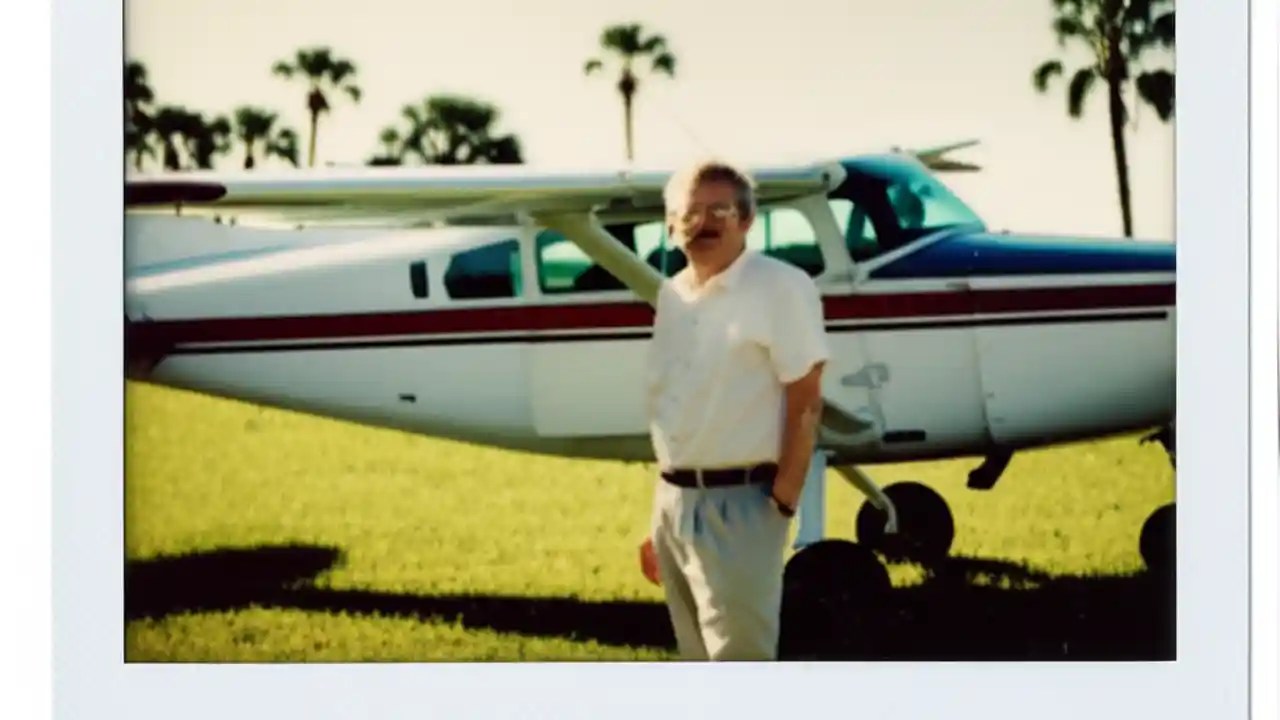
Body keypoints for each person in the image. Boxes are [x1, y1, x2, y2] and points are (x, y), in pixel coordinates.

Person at [638, 159, 830, 661]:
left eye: (719, 210)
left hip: (744, 504)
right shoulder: (672, 294)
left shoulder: (780, 286)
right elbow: (676, 408)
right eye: (689, 212)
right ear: (671, 226)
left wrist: (783, 500)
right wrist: (660, 518)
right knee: (698, 664)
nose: (702, 223)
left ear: (746, 220)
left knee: (740, 665)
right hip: (674, 505)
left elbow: (806, 395)